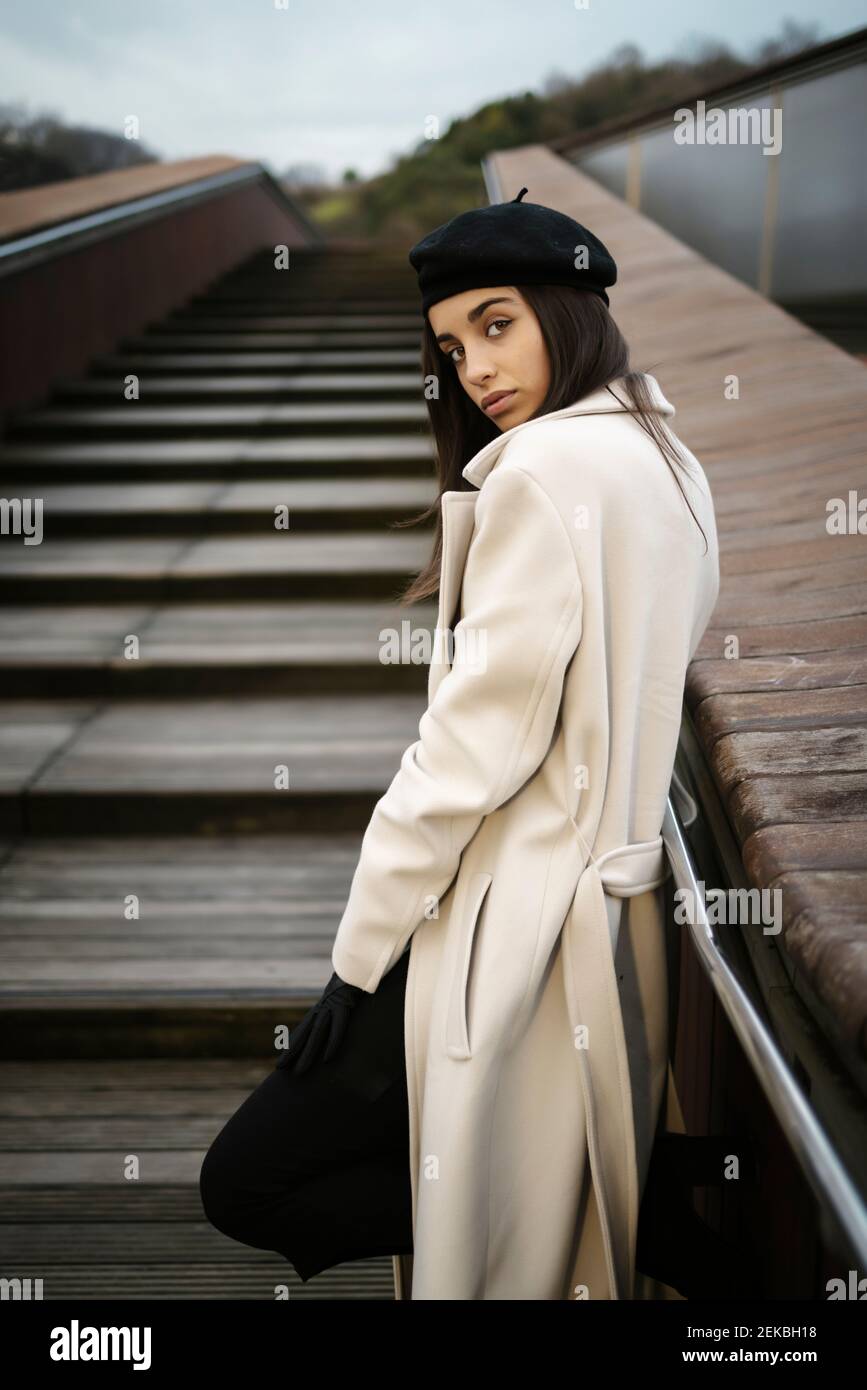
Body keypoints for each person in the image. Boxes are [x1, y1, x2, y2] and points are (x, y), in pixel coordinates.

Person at [199, 188, 720, 1300]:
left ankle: (615, 1202)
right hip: (608, 924)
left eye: (497, 324)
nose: (475, 368)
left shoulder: (540, 473)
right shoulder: (666, 455)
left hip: (511, 927)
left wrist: (355, 956)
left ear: (567, 312)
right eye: (450, 344)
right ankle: (631, 1200)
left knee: (245, 1182)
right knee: (512, 1187)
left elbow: (470, 750)